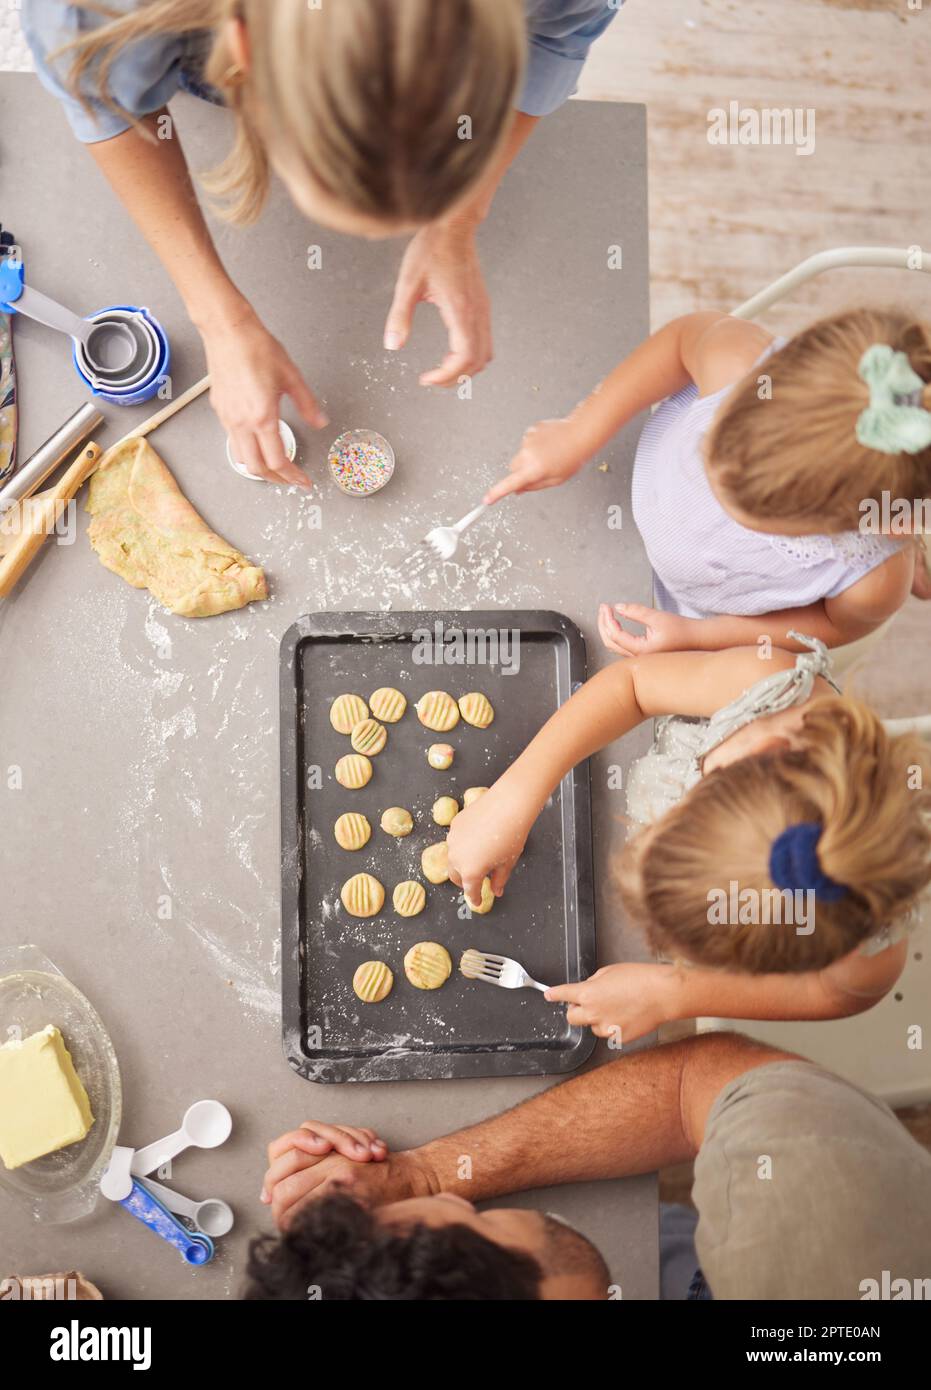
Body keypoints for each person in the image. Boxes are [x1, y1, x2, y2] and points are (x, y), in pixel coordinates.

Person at [23, 0, 623, 485]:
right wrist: (218, 319)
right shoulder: (92, 9)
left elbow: (555, 39)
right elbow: (112, 102)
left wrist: (458, 222)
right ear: (247, 54)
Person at [444, 636, 931, 1044]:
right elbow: (632, 685)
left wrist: (674, 992)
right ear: (763, 748)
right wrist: (517, 792)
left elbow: (843, 993)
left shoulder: (867, 926)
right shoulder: (763, 689)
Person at [248, 1031, 931, 1299]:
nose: (463, 1203)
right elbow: (698, 1084)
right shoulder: (823, 1271)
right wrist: (428, 1187)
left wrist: (426, 1175)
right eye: (469, 1224)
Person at [485, 308, 931, 655]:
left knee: (892, 564)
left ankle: (915, 554)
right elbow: (682, 343)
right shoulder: (738, 361)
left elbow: (830, 626)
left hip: (709, 604)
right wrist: (581, 430)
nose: (716, 488)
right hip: (653, 496)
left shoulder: (873, 586)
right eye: (715, 446)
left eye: (754, 516)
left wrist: (698, 635)